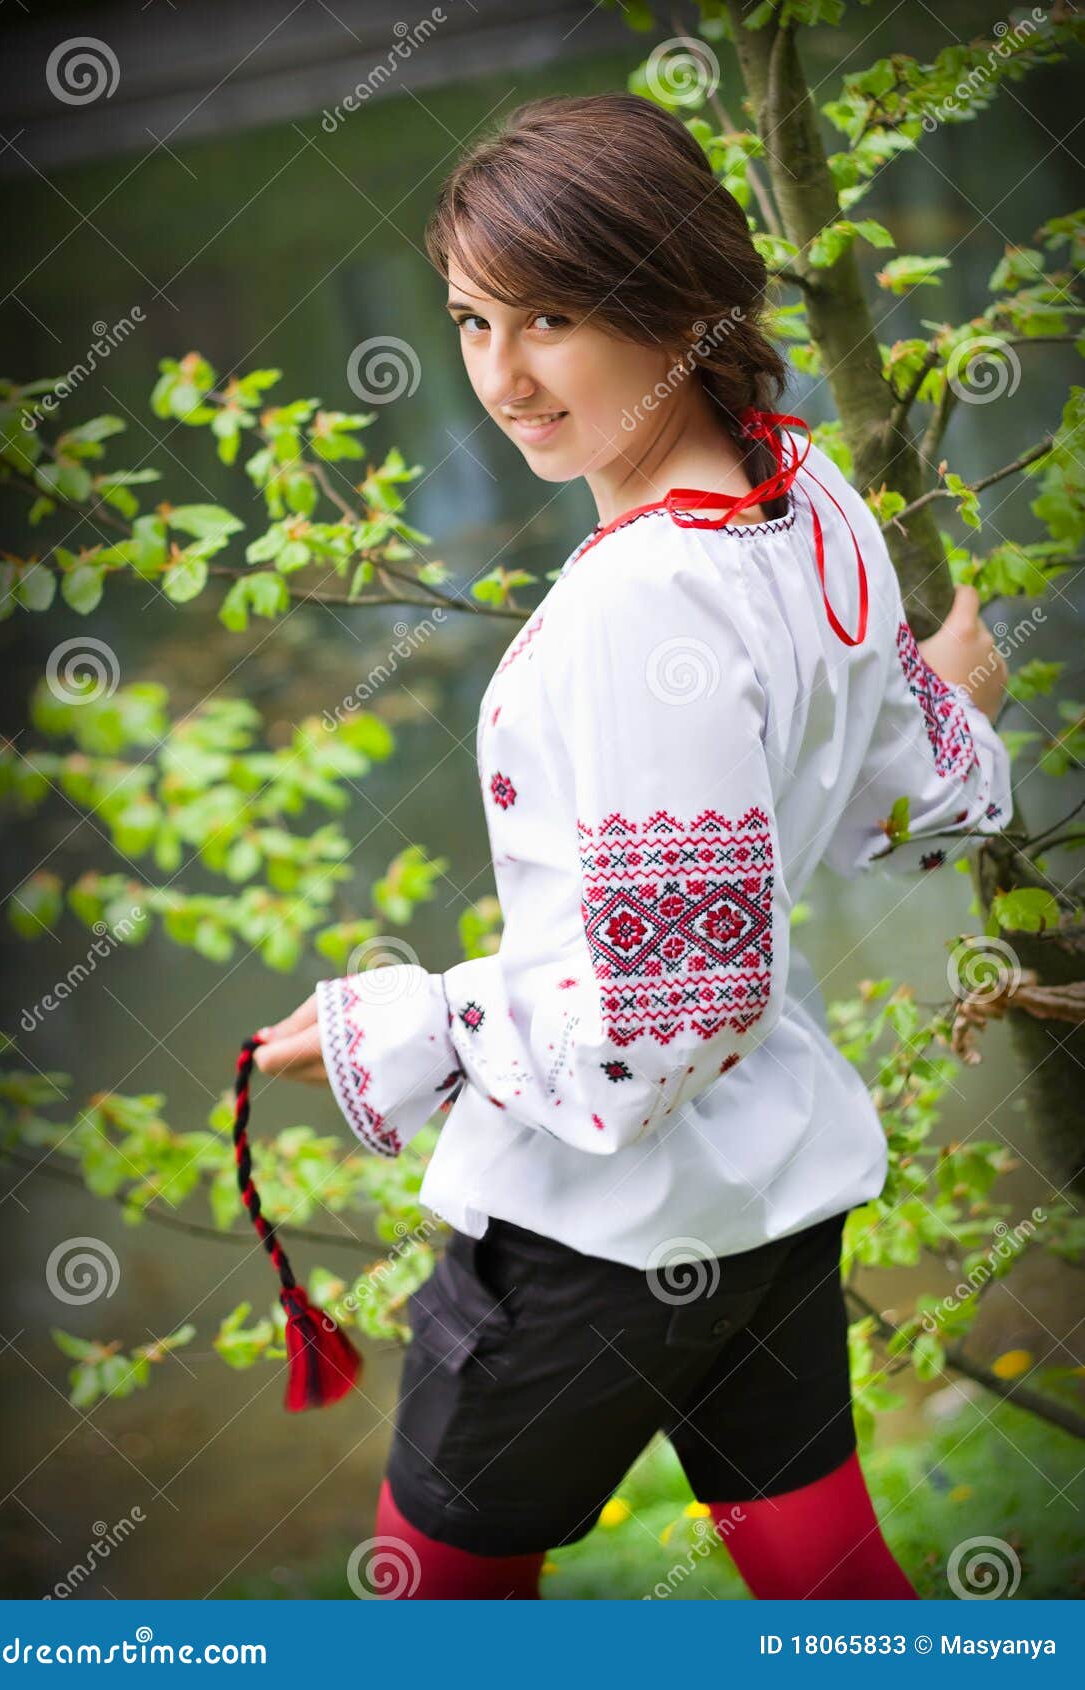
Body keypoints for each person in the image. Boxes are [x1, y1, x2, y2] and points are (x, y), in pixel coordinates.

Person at [253, 93, 1011, 1600]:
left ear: (676, 301)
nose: (504, 378)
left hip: (592, 1235)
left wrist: (406, 1016)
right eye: (472, 322)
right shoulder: (803, 494)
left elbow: (677, 1009)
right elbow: (890, 782)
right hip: (771, 1193)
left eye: (552, 318)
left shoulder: (635, 604)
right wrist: (942, 696)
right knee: (831, 1586)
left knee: (436, 1613)